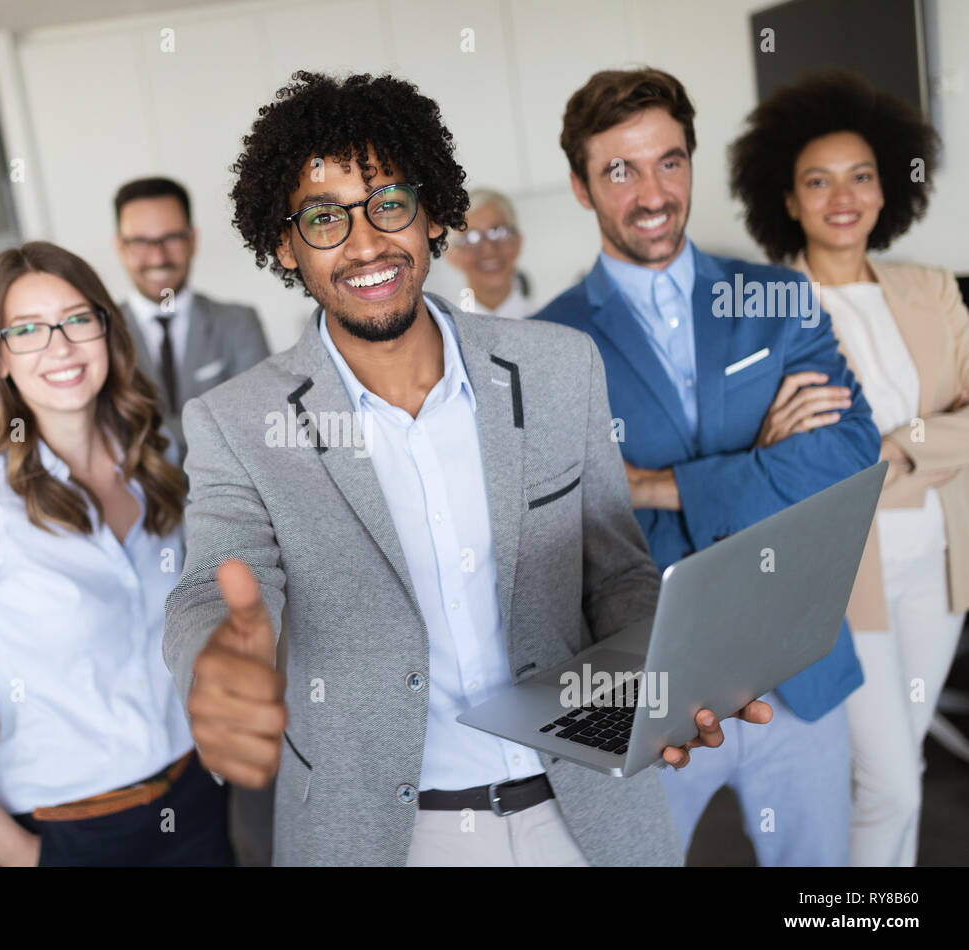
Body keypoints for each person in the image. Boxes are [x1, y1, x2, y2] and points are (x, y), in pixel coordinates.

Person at [162, 70, 771, 868]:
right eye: (322, 219)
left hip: (587, 805)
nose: (367, 242)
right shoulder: (237, 422)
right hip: (382, 836)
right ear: (283, 245)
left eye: (388, 203)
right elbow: (214, 582)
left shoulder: (560, 368)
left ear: (434, 213)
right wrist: (218, 657)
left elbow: (616, 572)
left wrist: (662, 682)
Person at [535, 68, 881, 866]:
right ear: (583, 187)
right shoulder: (545, 345)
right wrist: (761, 460)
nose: (652, 192)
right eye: (619, 169)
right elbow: (568, 517)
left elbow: (849, 456)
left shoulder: (777, 299)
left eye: (669, 161)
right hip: (643, 683)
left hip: (798, 668)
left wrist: (655, 485)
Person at [0, 242, 233, 866]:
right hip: (75, 829)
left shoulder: (160, 458)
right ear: (0, 359)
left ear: (107, 334)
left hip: (196, 795)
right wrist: (5, 845)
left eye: (76, 320)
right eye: (28, 330)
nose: (59, 347)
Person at [730, 69, 969, 866]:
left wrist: (895, 445)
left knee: (903, 762)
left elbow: (864, 444)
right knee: (892, 783)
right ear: (787, 200)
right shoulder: (766, 310)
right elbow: (799, 456)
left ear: (885, 188)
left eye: (862, 176)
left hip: (939, 561)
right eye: (818, 180)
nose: (844, 195)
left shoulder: (932, 289)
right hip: (844, 573)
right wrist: (933, 435)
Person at [113, 176, 270, 458]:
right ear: (120, 248)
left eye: (170, 238)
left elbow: (255, 426)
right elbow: (107, 434)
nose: (158, 257)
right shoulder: (101, 334)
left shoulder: (238, 324)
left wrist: (149, 432)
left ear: (192, 240)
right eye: (140, 242)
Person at [445, 187, 536, 318]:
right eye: (471, 238)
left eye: (498, 232)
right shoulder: (445, 333)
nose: (488, 249)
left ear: (518, 241)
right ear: (450, 255)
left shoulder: (552, 325)